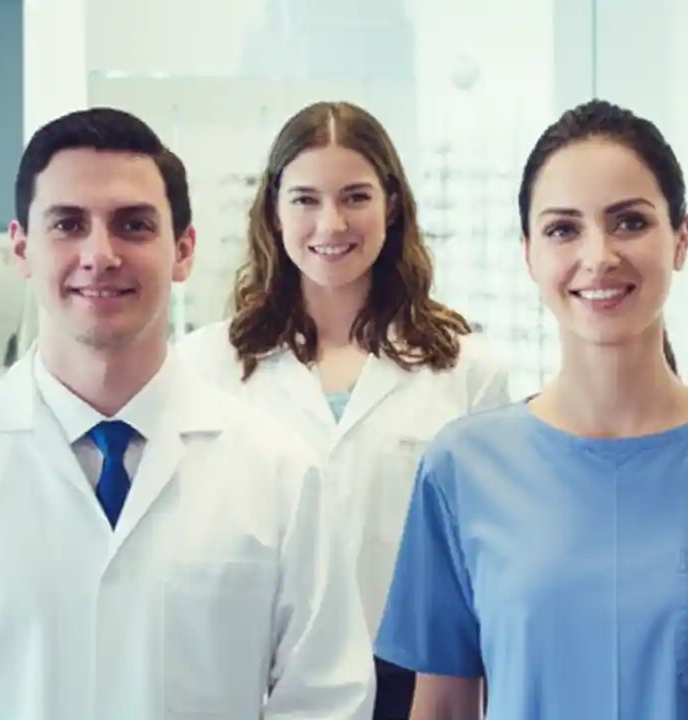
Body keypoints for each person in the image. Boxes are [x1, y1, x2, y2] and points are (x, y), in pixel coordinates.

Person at [0, 107, 376, 719]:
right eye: (68, 224)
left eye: (133, 225)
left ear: (183, 251)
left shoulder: (278, 472)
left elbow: (327, 699)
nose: (100, 253)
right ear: (21, 248)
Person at [373, 99, 688, 719]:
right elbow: (444, 709)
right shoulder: (462, 469)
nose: (598, 256)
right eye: (564, 229)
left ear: (681, 237)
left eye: (629, 222)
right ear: (529, 254)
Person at [174, 100, 510, 719]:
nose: (331, 224)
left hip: (415, 683)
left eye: (355, 196)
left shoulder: (466, 369)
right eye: (305, 199)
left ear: (392, 205)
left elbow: (483, 568)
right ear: (273, 212)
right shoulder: (206, 365)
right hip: (254, 678)